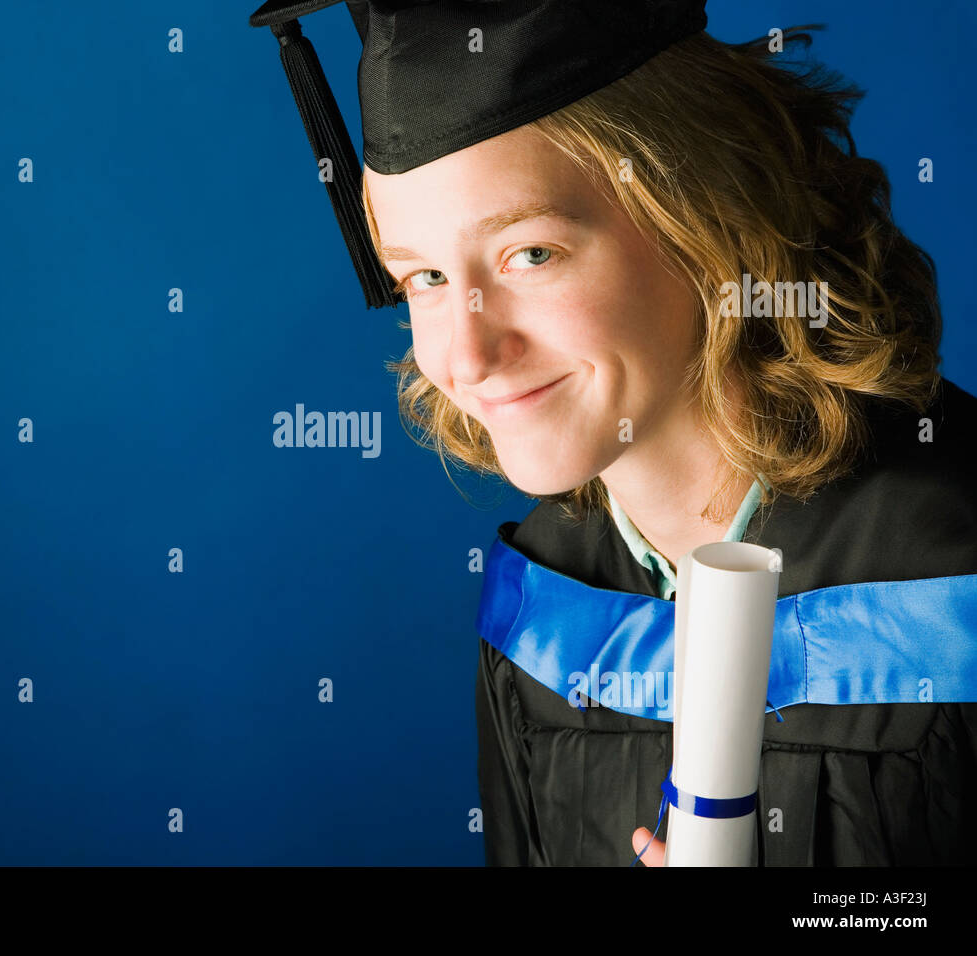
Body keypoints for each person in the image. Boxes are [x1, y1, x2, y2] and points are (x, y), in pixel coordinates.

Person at [249, 0, 977, 865]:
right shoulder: (549, 608)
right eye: (428, 277)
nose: (468, 353)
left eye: (532, 254)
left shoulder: (952, 583)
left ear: (709, 221)